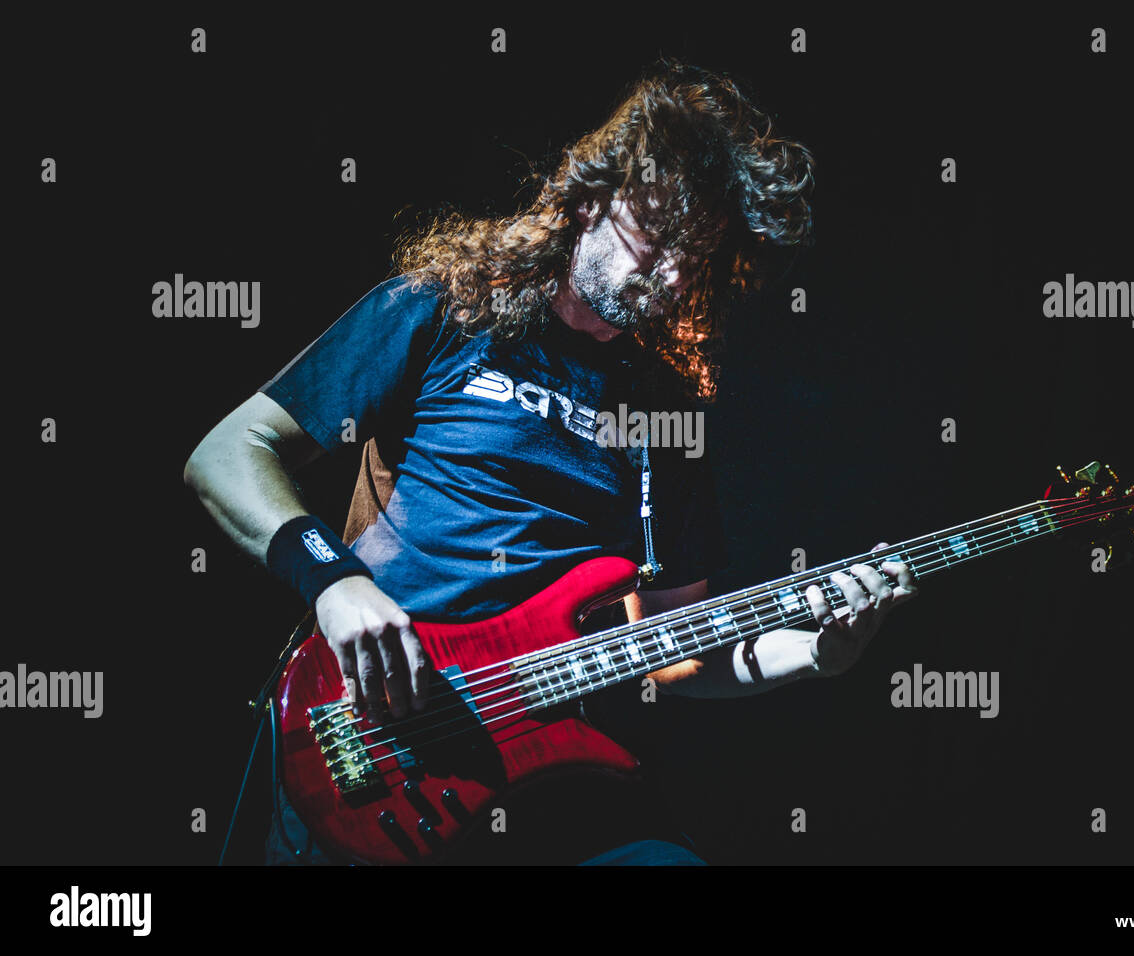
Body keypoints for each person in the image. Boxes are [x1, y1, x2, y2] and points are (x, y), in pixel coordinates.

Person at [183, 59, 917, 866]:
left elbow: (676, 650)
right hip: (374, 736)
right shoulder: (446, 309)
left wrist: (814, 653)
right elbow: (228, 452)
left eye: (694, 256)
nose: (672, 274)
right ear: (589, 200)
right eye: (657, 236)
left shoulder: (663, 414)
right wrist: (334, 581)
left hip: (550, 777)